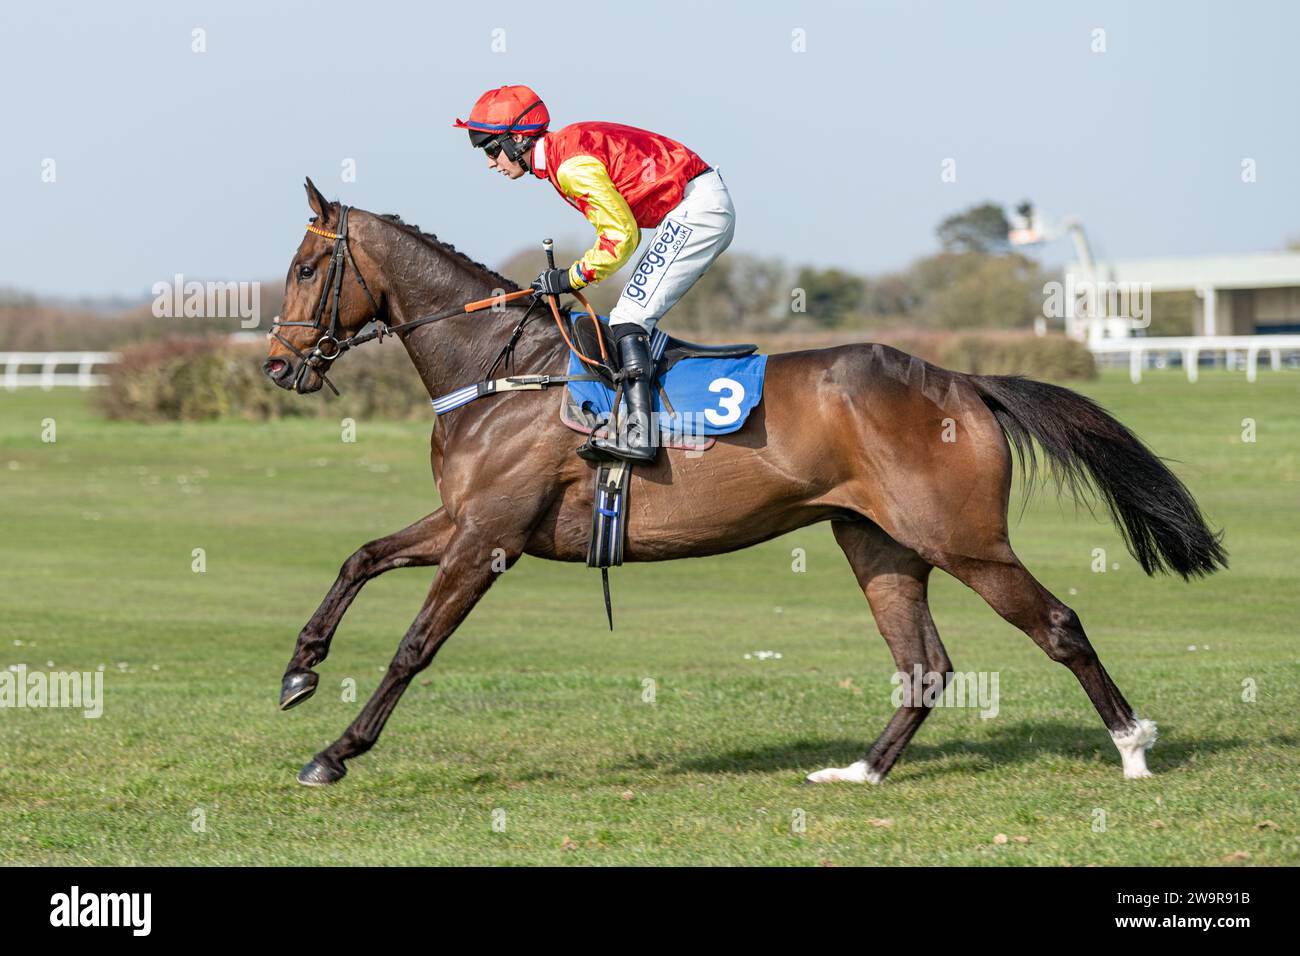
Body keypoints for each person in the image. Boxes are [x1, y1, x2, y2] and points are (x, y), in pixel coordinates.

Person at [453, 85, 735, 462]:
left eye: (491, 150)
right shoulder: (562, 152)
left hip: (697, 209)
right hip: (695, 205)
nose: (491, 163)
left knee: (629, 316)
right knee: (635, 313)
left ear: (517, 139)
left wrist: (570, 278)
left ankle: (641, 434)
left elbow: (621, 237)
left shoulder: (569, 165)